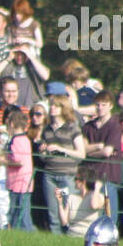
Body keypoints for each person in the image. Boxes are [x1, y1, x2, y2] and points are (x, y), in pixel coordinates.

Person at [37, 95, 85, 233]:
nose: (52, 108)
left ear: (64, 108)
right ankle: (55, 238)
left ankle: (70, 236)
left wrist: (61, 149)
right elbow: (44, 158)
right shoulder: (47, 129)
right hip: (49, 174)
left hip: (68, 175)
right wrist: (42, 152)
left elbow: (81, 154)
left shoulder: (73, 128)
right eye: (51, 105)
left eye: (56, 106)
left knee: (69, 212)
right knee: (53, 213)